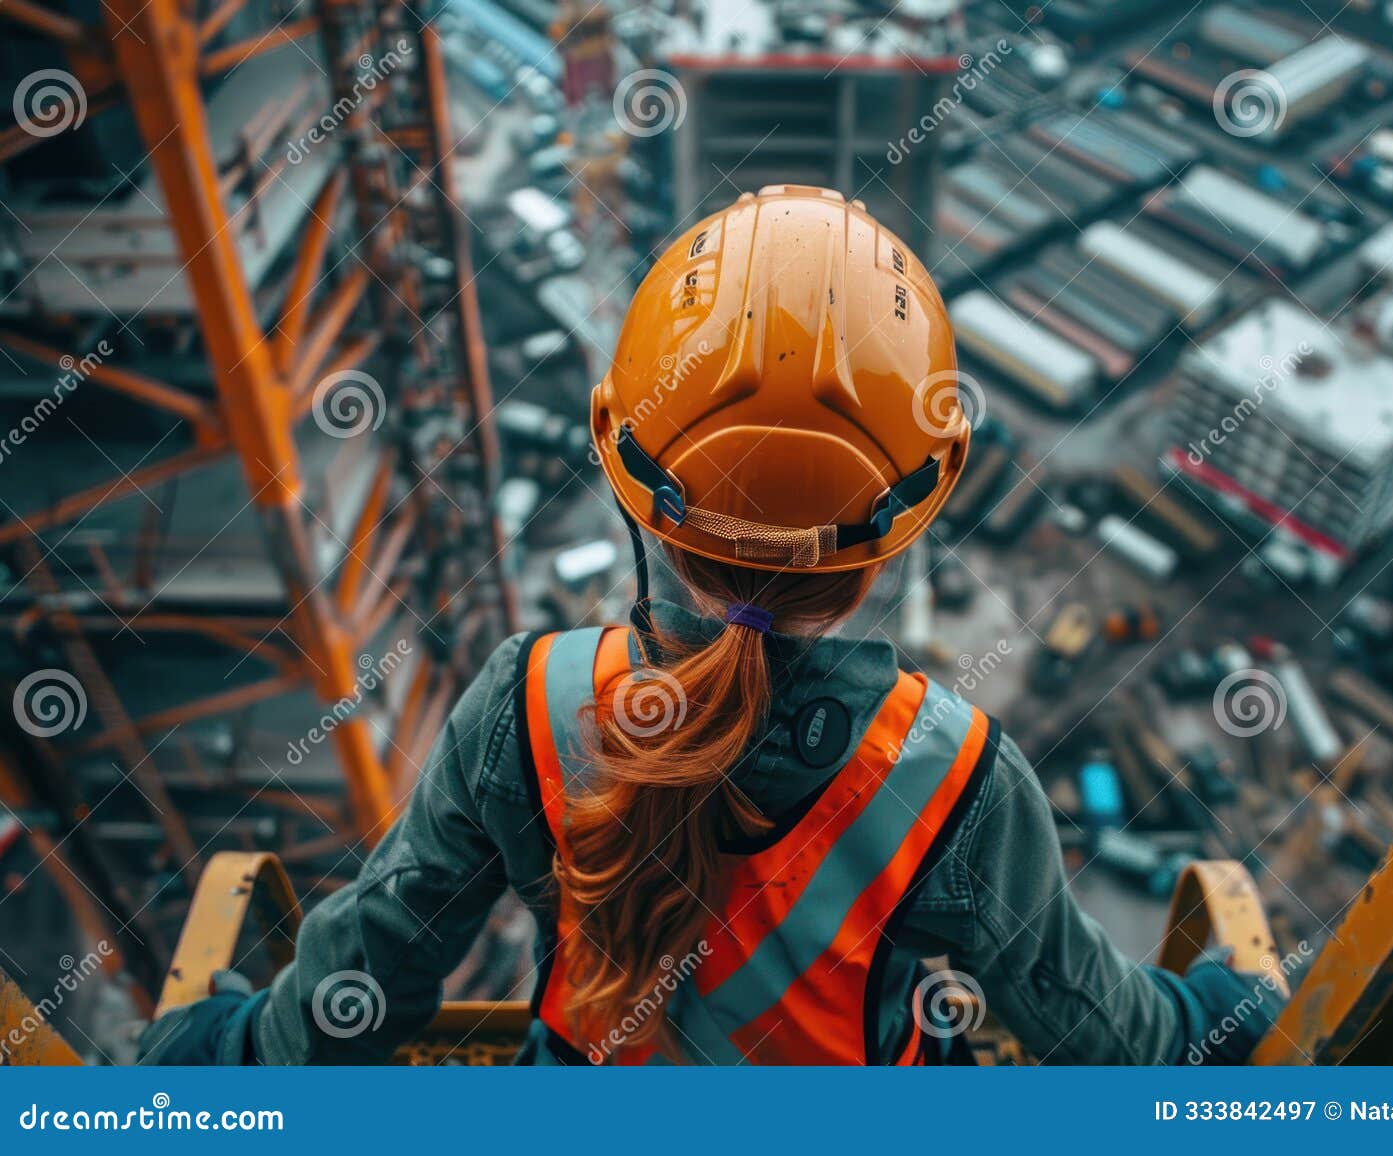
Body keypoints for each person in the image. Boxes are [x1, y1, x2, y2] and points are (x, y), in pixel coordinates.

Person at [141, 186, 1282, 1066]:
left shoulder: (525, 709)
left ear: (611, 440)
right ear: (931, 489)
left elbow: (367, 981)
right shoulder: (954, 778)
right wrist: (1220, 1014)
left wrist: (225, 1049)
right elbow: (1099, 1028)